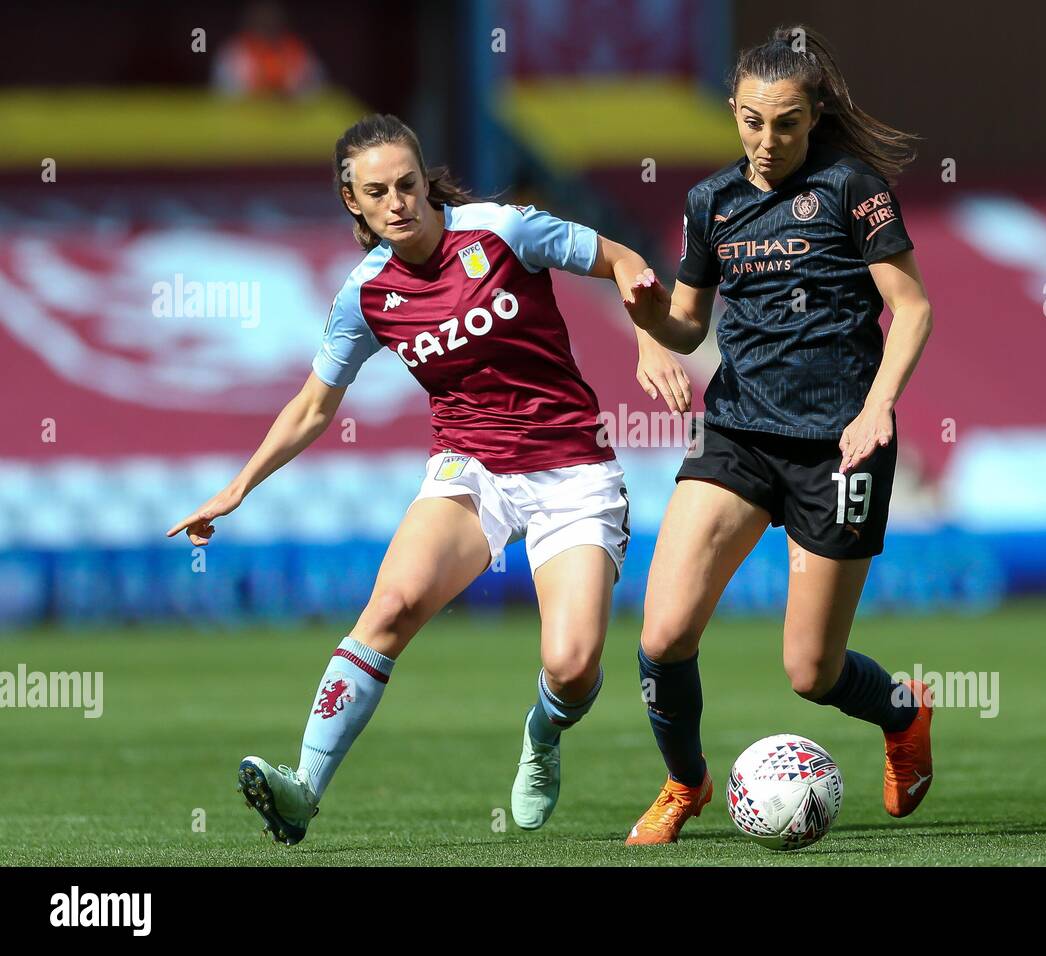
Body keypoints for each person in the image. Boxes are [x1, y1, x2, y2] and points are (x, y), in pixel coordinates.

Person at [167, 113, 690, 844]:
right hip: (468, 468)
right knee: (390, 607)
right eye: (377, 191)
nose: (397, 202)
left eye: (407, 184)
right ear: (353, 201)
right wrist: (239, 486)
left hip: (570, 468)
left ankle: (542, 733)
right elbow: (315, 405)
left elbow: (623, 258)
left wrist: (650, 340)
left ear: (424, 179)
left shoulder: (502, 230)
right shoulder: (366, 295)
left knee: (571, 669)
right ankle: (302, 793)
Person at [618, 26, 937, 844]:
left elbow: (913, 307)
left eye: (786, 124)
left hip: (842, 446)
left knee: (811, 672)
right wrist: (650, 326)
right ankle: (685, 784)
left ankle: (901, 713)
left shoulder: (852, 190)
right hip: (737, 433)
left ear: (813, 115)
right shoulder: (712, 202)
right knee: (662, 633)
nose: (767, 141)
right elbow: (690, 325)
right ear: (733, 111)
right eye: (752, 121)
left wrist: (878, 407)